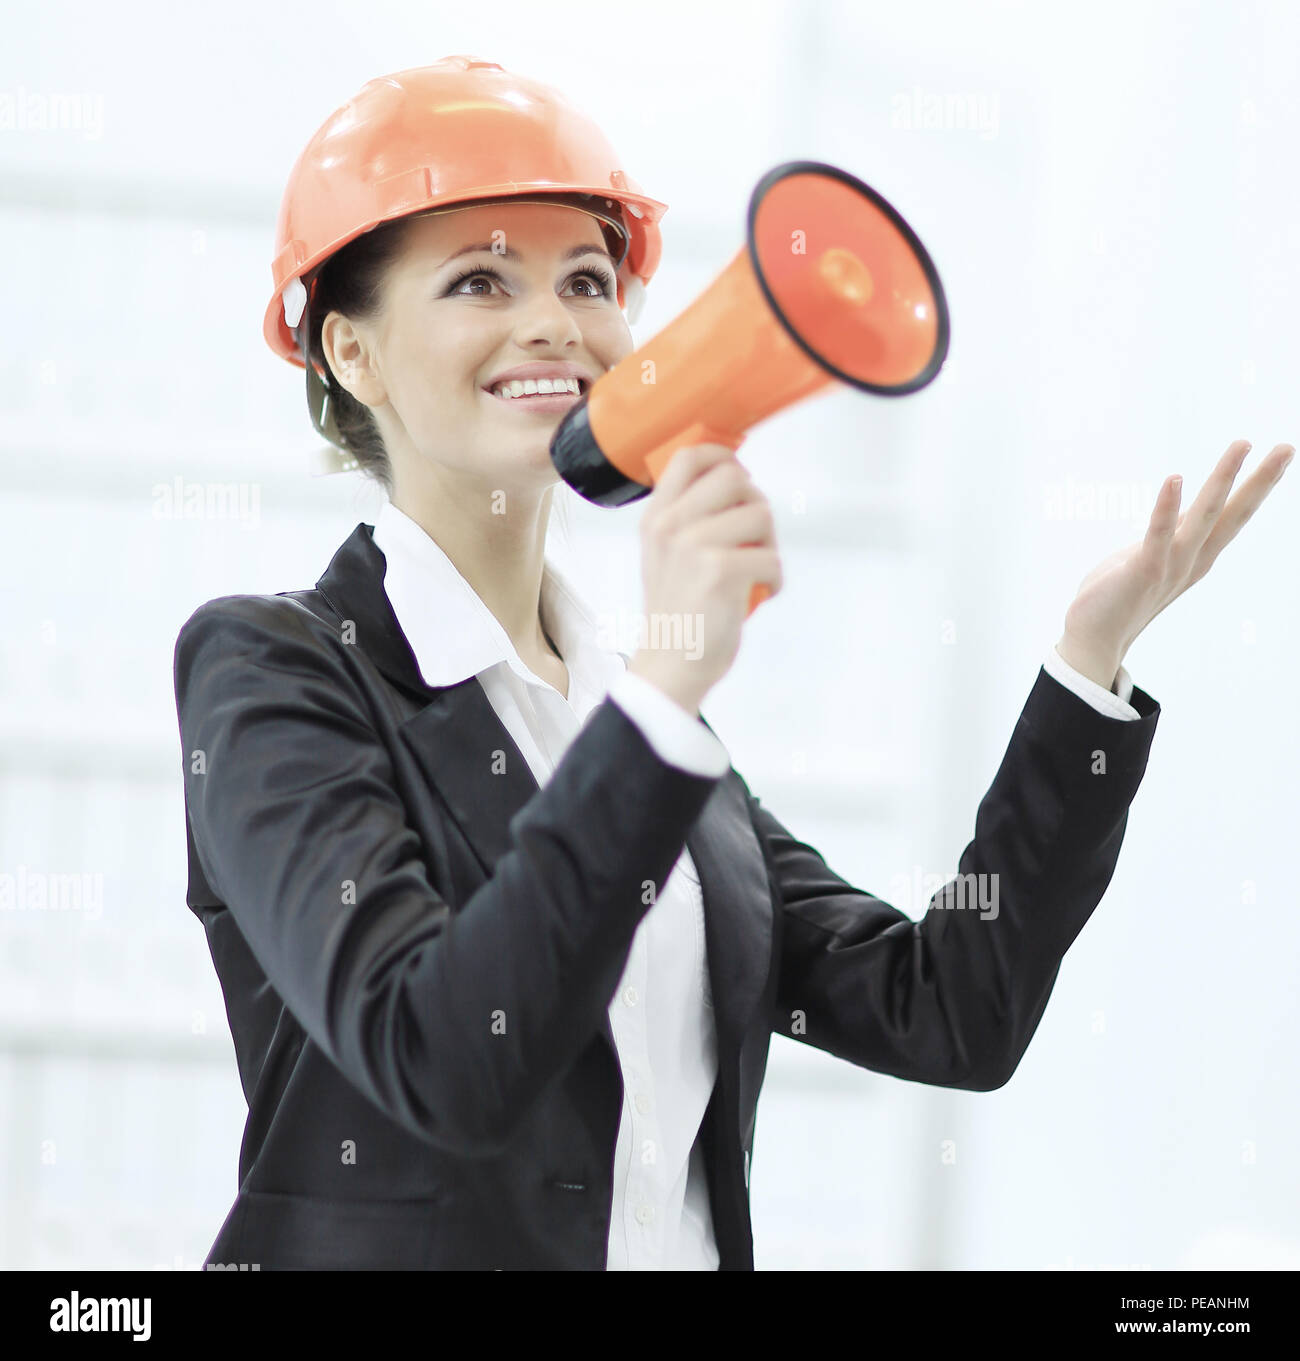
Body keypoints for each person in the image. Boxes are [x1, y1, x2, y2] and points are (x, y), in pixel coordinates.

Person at [173, 57, 1293, 1271]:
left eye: (588, 279)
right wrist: (660, 699)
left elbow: (948, 1010)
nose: (553, 320)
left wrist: (1089, 657)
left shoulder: (640, 722)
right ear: (351, 352)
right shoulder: (275, 670)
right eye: (481, 277)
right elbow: (439, 1054)